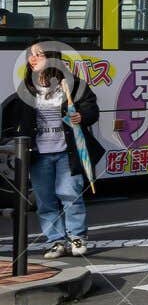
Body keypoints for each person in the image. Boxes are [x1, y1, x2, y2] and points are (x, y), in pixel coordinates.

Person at [0, 44, 104, 259]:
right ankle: (55, 241)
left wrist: (81, 116)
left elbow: (91, 110)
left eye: (40, 54)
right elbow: (16, 118)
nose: (33, 58)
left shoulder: (73, 85)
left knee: (71, 195)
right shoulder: (26, 87)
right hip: (39, 154)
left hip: (68, 152)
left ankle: (77, 237)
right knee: (45, 201)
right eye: (31, 55)